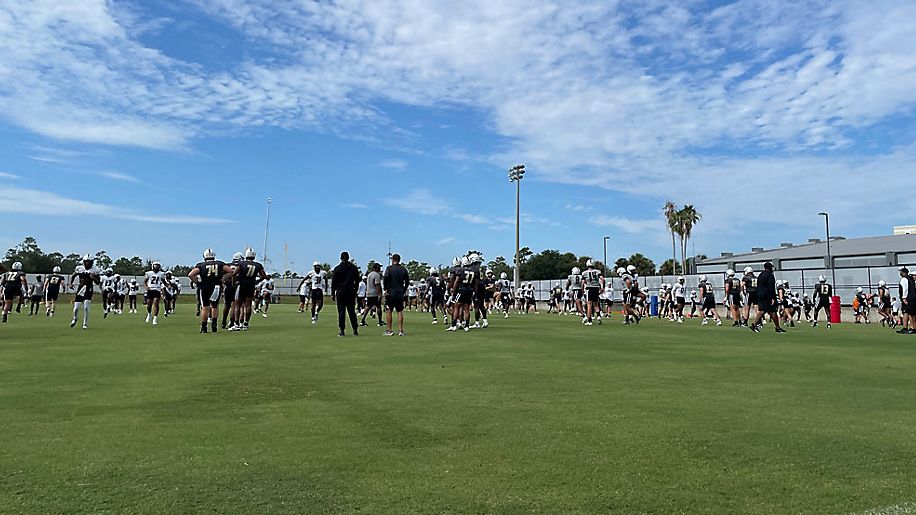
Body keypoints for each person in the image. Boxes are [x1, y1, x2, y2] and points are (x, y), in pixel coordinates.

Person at [188, 249, 234, 333]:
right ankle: (214, 324)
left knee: (205, 307)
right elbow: (230, 271)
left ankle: (204, 327)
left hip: (205, 287)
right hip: (216, 286)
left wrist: (198, 283)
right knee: (214, 306)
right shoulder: (220, 263)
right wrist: (223, 279)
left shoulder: (201, 265)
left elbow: (191, 274)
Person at [230, 248, 267, 331]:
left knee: (237, 305)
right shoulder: (258, 265)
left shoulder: (242, 263)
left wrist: (233, 283)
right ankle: (245, 323)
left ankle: (236, 324)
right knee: (248, 305)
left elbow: (234, 274)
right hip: (251, 286)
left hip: (241, 285)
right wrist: (257, 281)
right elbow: (264, 276)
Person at [331, 251, 360, 337]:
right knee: (351, 312)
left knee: (341, 311)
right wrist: (355, 290)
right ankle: (355, 330)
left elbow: (334, 282)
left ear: (341, 258)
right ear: (348, 258)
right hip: (350, 291)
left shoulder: (337, 269)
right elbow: (357, 280)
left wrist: (333, 293)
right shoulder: (353, 268)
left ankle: (342, 330)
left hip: (341, 291)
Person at [750, 261, 785, 333]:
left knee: (772, 311)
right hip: (768, 295)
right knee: (763, 310)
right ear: (769, 268)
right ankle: (754, 324)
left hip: (760, 294)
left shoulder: (760, 275)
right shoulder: (770, 275)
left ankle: (777, 327)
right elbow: (771, 287)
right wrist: (773, 297)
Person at [69, 254, 100, 329]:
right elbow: (73, 276)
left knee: (86, 307)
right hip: (81, 288)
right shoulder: (79, 268)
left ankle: (85, 323)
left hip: (89, 288)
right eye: (86, 262)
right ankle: (75, 318)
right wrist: (70, 284)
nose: (87, 263)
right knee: (76, 308)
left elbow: (98, 282)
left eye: (89, 262)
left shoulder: (95, 270)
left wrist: (93, 278)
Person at [383, 253, 410, 336]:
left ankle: (389, 330)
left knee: (389, 310)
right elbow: (407, 281)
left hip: (391, 292)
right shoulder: (403, 269)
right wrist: (404, 290)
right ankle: (401, 330)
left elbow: (385, 278)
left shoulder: (389, 268)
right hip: (399, 293)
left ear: (392, 260)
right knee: (399, 311)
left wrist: (385, 289)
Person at [360, 263, 384, 327]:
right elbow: (377, 285)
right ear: (376, 268)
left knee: (368, 307)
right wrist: (380, 294)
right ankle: (380, 321)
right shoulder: (377, 275)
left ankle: (362, 320)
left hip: (369, 293)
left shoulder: (369, 274)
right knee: (378, 307)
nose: (380, 269)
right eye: (379, 267)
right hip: (375, 294)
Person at [144, 261, 167, 326]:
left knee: (156, 302)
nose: (156, 266)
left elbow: (163, 281)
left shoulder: (161, 274)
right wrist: (146, 287)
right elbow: (145, 281)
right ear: (152, 266)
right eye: (155, 265)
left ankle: (155, 318)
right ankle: (149, 314)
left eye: (157, 265)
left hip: (157, 289)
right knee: (149, 305)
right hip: (150, 289)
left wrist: (167, 285)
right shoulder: (149, 273)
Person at [898, 267, 915, 334]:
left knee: (906, 312)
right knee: (911, 313)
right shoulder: (911, 279)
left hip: (908, 298)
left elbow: (905, 288)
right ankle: (912, 328)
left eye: (901, 271)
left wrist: (904, 297)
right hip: (912, 297)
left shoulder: (904, 279)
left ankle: (905, 328)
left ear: (904, 272)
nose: (900, 273)